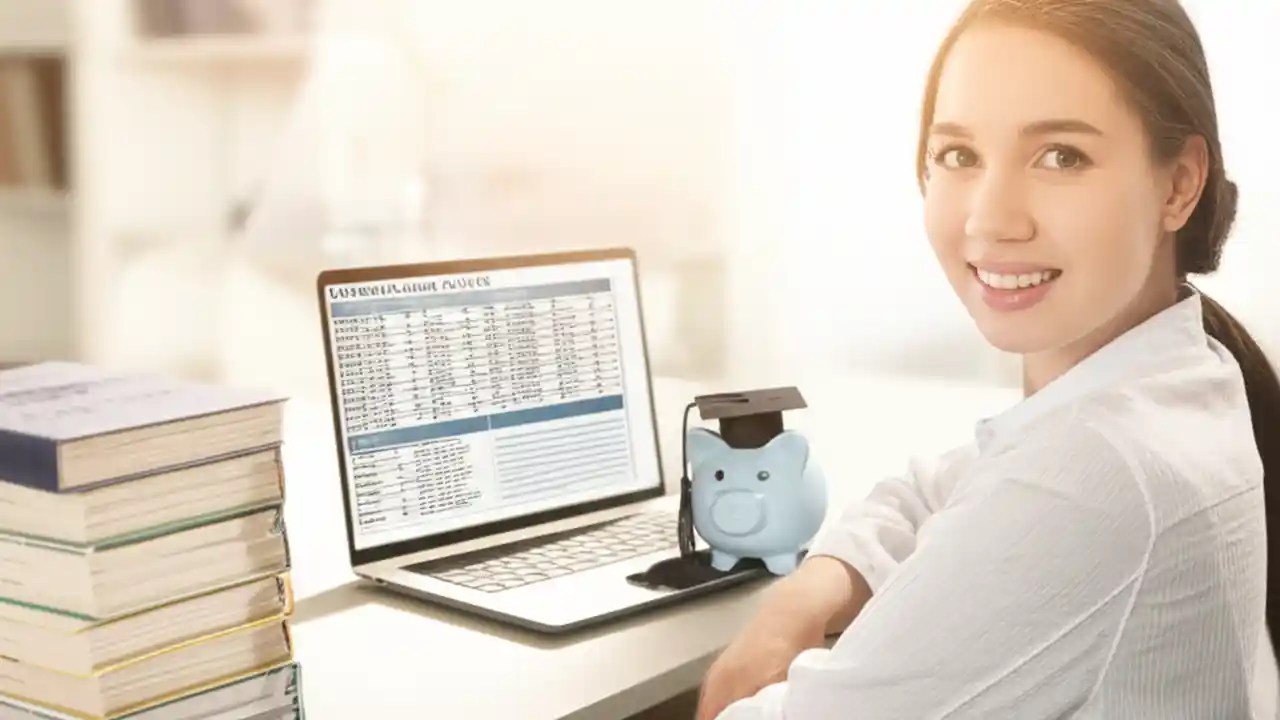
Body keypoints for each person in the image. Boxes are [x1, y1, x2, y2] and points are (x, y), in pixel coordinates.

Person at [696, 0, 1280, 717]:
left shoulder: (1099, 469)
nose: (989, 218)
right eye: (958, 155)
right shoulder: (1178, 378)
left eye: (1061, 156)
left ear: (1178, 183)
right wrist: (814, 586)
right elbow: (945, 485)